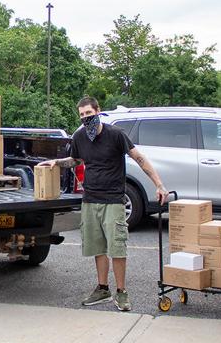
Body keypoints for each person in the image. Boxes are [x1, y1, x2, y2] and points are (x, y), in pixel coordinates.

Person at [38, 97, 166, 311]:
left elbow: (139, 158)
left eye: (89, 113)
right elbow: (76, 160)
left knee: (117, 248)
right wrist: (58, 163)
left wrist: (159, 185)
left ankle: (122, 292)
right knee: (98, 247)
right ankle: (103, 288)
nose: (86, 118)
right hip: (90, 200)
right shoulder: (79, 137)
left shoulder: (115, 135)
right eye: (82, 115)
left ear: (98, 111)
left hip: (113, 200)